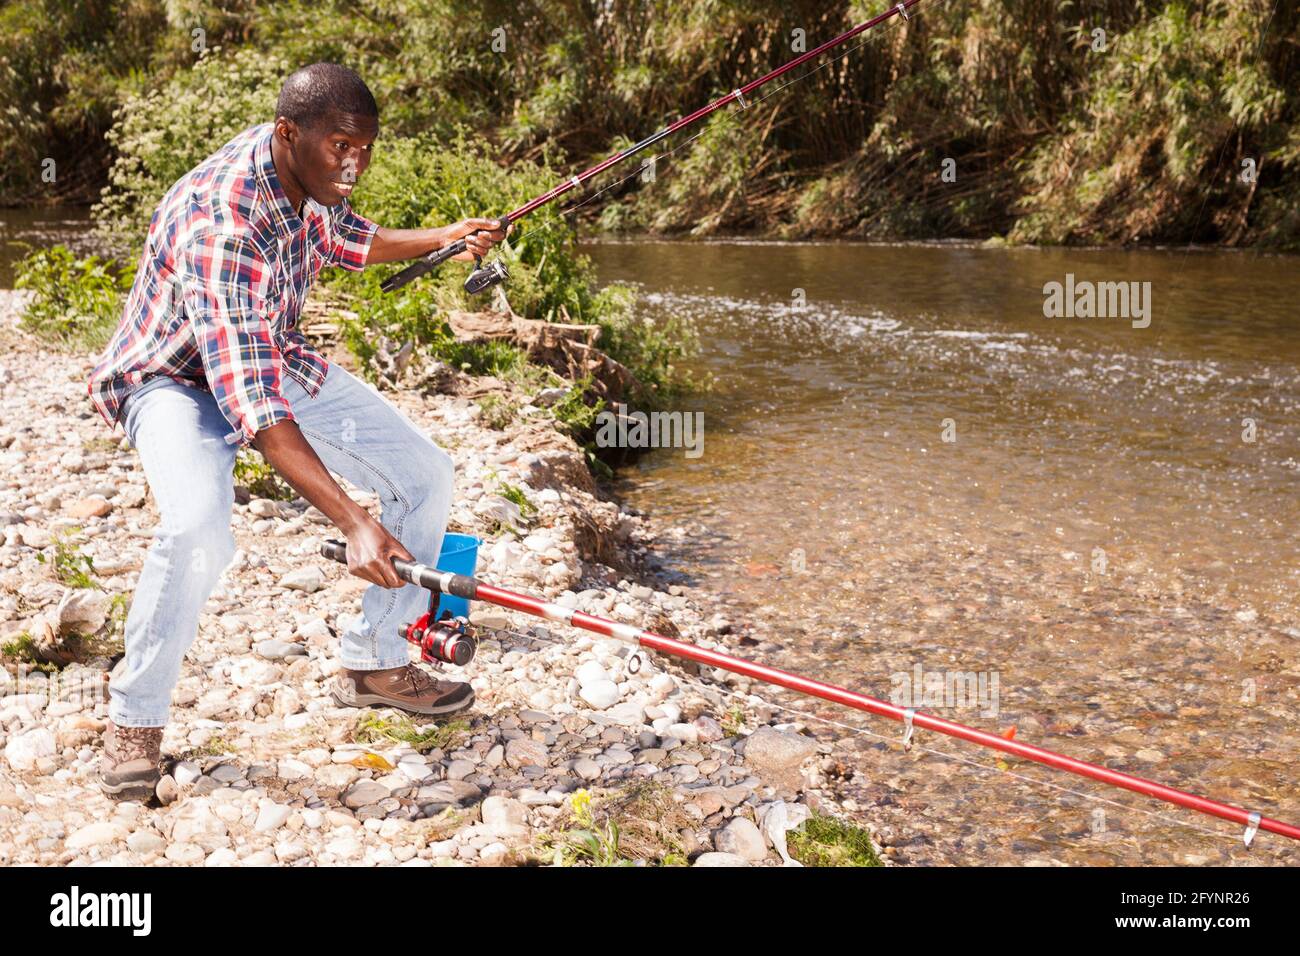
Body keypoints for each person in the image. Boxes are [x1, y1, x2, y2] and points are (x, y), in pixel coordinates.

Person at [85, 62, 506, 801]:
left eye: (366, 149)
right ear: (289, 133)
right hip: (171, 380)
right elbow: (253, 411)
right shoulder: (223, 221)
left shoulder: (310, 175)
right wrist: (353, 523)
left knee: (426, 473)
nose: (355, 165)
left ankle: (378, 660)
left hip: (267, 355)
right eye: (342, 147)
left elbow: (350, 240)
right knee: (197, 528)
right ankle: (136, 718)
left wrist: (446, 236)